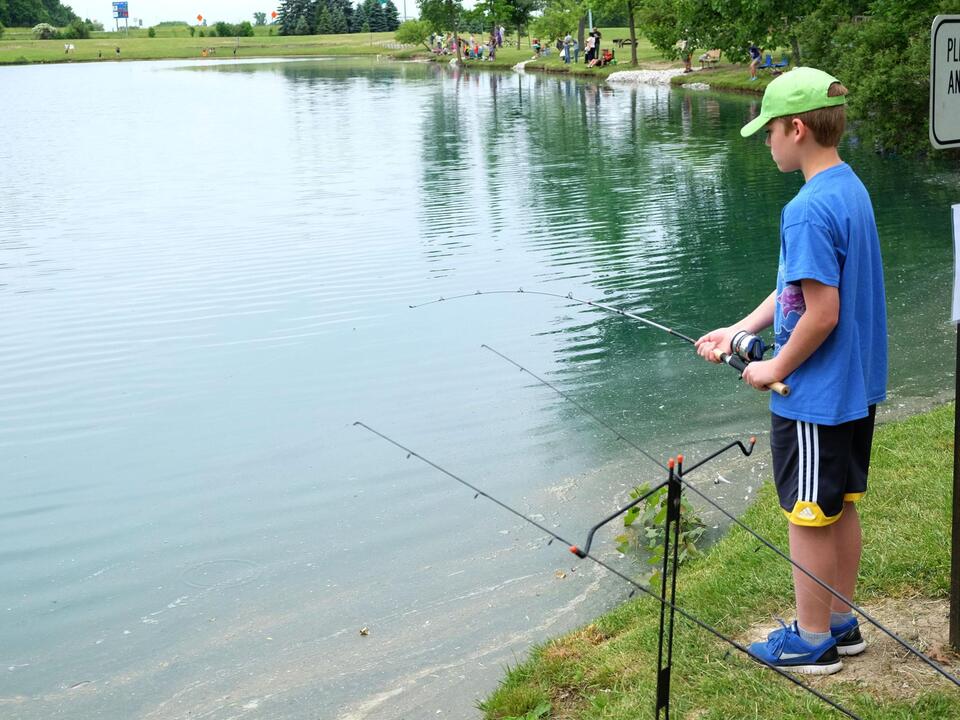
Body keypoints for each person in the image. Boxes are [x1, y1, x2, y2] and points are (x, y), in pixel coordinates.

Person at [695, 67, 887, 675]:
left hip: (814, 396)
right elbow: (794, 292)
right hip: (857, 389)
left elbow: (821, 314)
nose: (767, 142)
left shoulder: (805, 210)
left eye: (770, 132)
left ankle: (810, 640)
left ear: (796, 128)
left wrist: (771, 364)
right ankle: (838, 623)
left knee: (806, 515)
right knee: (839, 505)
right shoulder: (849, 187)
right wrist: (741, 332)